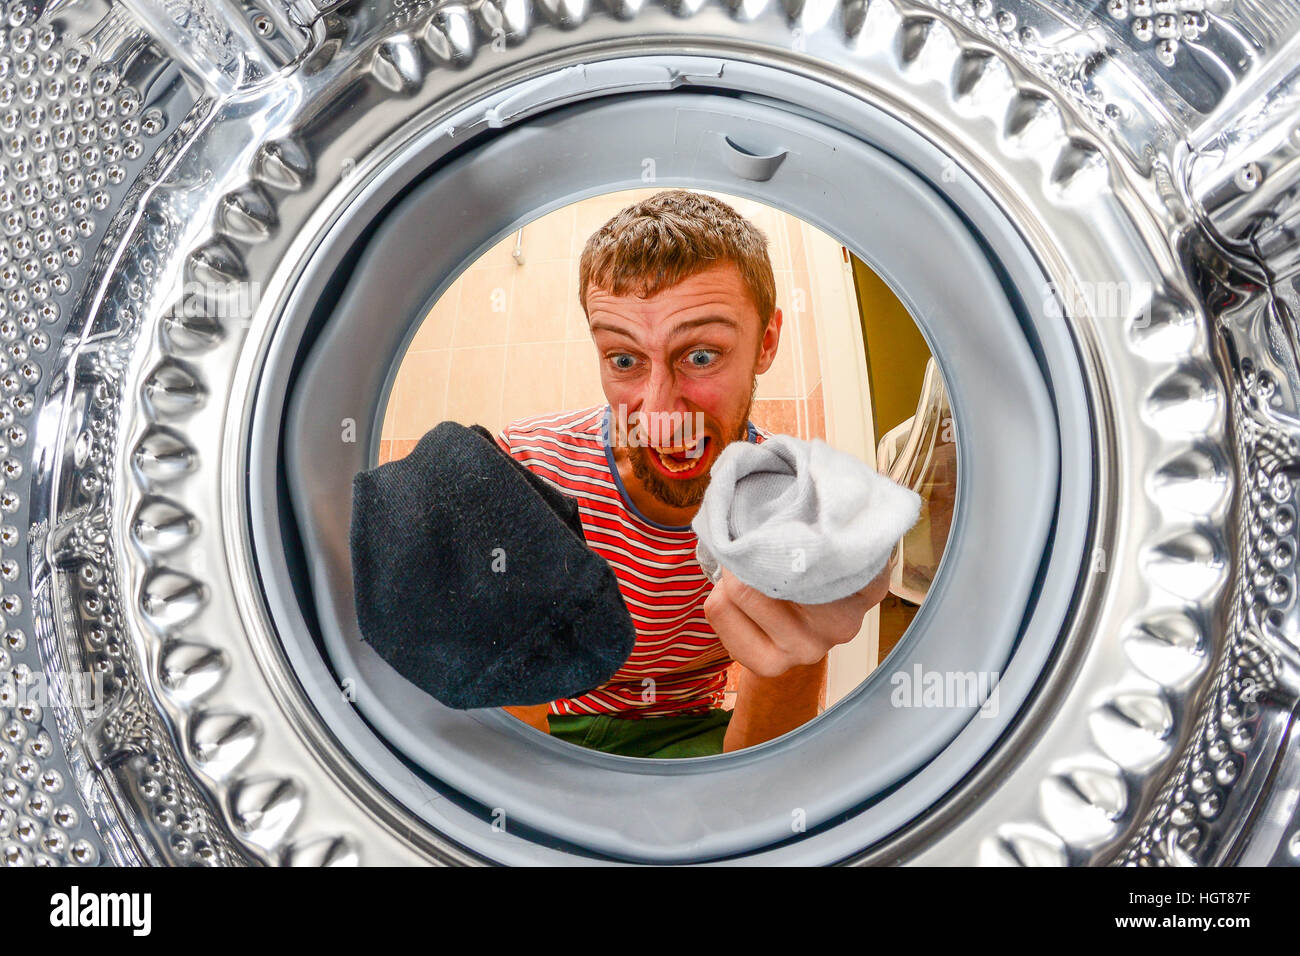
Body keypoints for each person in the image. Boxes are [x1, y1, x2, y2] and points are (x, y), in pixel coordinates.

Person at [497, 189, 891, 757]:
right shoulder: (529, 472)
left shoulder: (788, 504)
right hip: (555, 725)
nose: (659, 415)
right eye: (625, 360)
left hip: (700, 731)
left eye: (701, 355)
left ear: (766, 344)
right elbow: (512, 757)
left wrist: (804, 645)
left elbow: (758, 773)